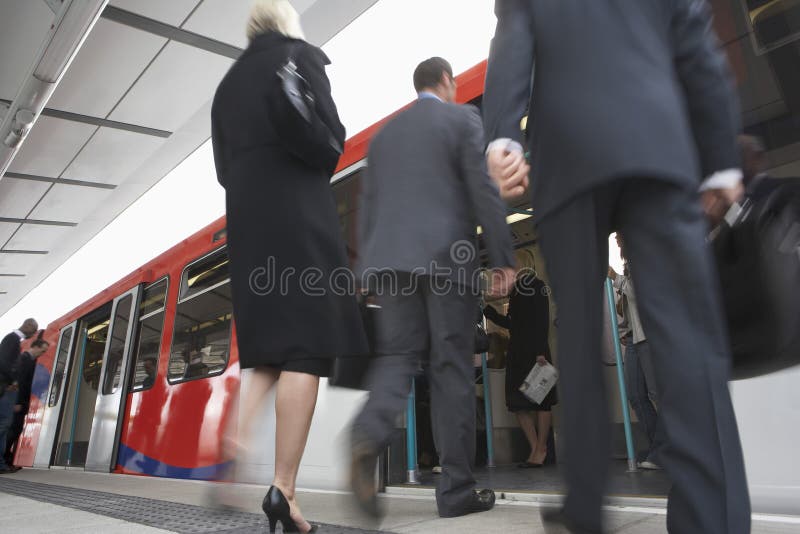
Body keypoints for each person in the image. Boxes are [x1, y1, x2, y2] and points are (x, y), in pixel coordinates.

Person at [482, 1, 750, 533]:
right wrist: (721, 159)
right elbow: (697, 45)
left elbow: (514, 32)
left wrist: (502, 137)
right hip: (659, 143)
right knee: (688, 343)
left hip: (568, 150)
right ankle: (712, 520)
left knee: (578, 341)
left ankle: (584, 508)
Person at [211, 1, 367, 531]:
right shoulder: (296, 57)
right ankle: (284, 487)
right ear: (287, 23)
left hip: (248, 223)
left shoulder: (226, 86)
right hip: (297, 214)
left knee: (270, 349)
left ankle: (239, 434)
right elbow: (323, 136)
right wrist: (327, 149)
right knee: (308, 346)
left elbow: (222, 169)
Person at [349, 57, 515, 520]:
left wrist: (366, 272)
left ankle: (367, 430)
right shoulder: (461, 117)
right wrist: (502, 255)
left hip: (391, 265)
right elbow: (481, 188)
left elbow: (369, 207)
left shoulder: (384, 137)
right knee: (450, 371)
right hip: (448, 261)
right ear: (446, 82)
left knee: (397, 357)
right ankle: (456, 490)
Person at [484, 270, 556, 468]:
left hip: (535, 352)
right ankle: (535, 447)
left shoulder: (537, 286)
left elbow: (543, 320)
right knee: (517, 404)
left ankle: (541, 448)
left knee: (542, 401)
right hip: (517, 353)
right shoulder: (515, 294)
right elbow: (512, 324)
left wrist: (541, 351)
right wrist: (489, 313)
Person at [609, 235, 664, 471]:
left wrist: (615, 278)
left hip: (649, 336)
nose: (619, 244)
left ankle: (668, 449)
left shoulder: (644, 257)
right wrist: (626, 327)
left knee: (655, 394)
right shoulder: (630, 263)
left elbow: (642, 293)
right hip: (634, 335)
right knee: (635, 395)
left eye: (621, 239)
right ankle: (658, 448)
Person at [4, 337, 49, 468]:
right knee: (13, 429)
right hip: (18, 401)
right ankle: (4, 458)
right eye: (42, 350)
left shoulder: (30, 360)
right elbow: (19, 382)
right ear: (35, 346)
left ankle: (6, 459)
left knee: (15, 429)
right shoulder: (24, 359)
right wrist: (17, 402)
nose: (43, 354)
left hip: (22, 401)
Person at [0, 318, 38, 474]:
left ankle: (1, 463)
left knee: (4, 426)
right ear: (27, 325)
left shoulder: (14, 340)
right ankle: (1, 464)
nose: (33, 334)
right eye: (33, 330)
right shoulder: (12, 339)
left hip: (6, 386)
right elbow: (3, 362)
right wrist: (13, 379)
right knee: (4, 426)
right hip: (6, 387)